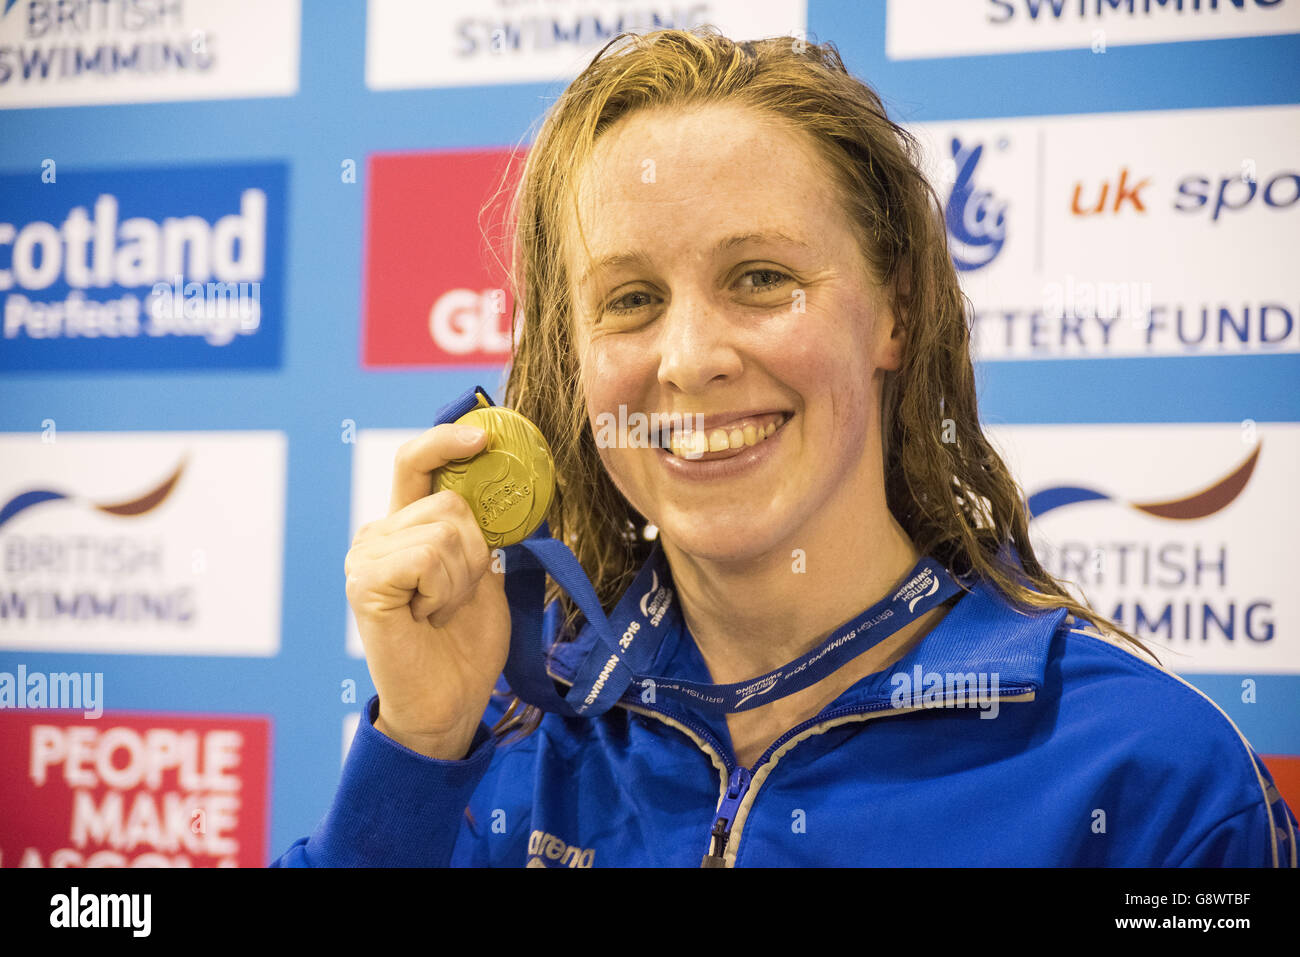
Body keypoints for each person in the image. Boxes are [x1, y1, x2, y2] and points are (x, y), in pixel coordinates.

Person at [274, 28, 1296, 867]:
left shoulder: (1146, 779)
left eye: (760, 277)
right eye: (630, 300)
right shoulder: (503, 738)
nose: (689, 359)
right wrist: (417, 750)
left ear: (894, 308)